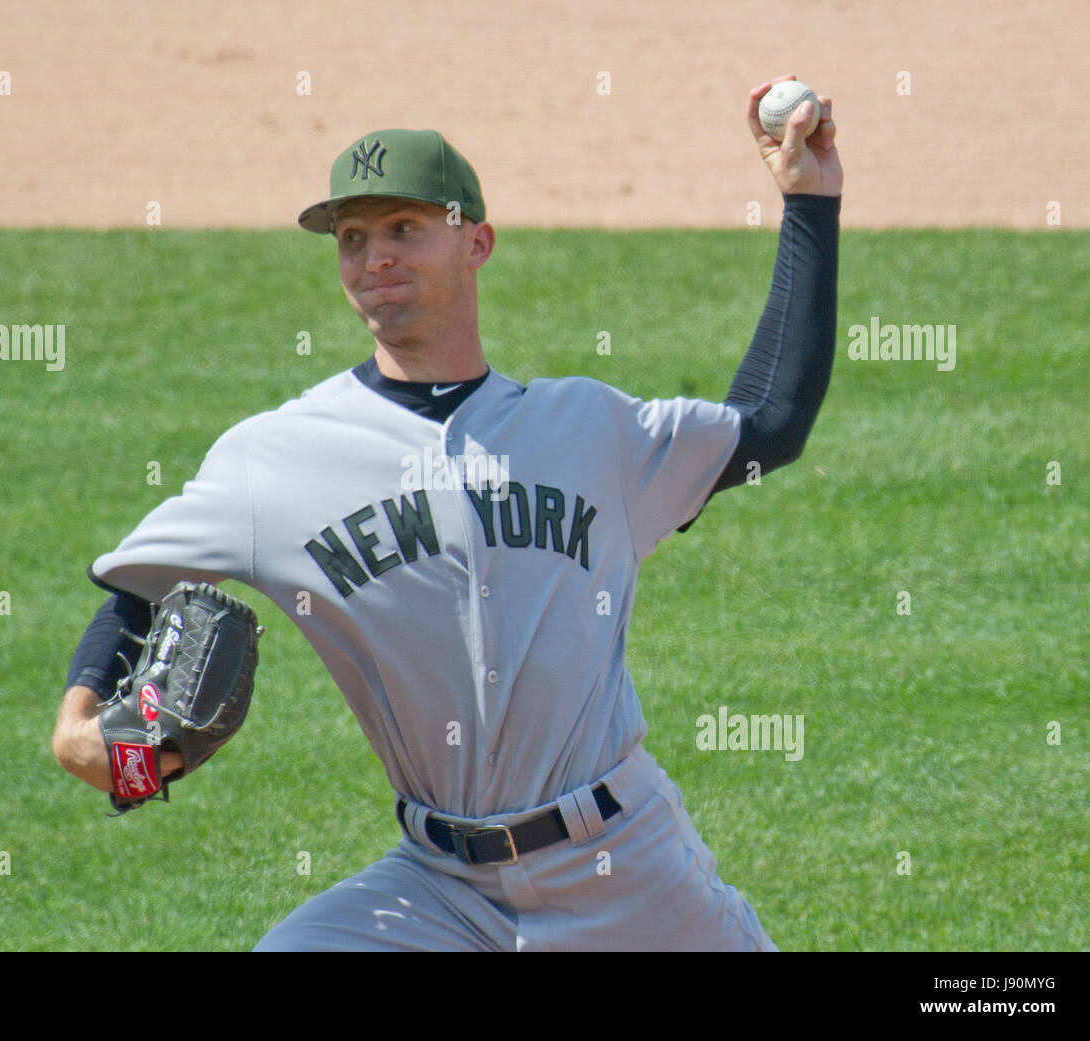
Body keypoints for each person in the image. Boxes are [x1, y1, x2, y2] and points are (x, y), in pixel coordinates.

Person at [52, 75, 842, 951]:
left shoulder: (589, 430)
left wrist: (808, 201)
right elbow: (135, 593)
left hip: (628, 868)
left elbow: (772, 423)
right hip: (439, 891)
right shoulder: (272, 460)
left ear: (477, 242)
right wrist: (90, 743)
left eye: (404, 229)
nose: (374, 257)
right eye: (352, 239)